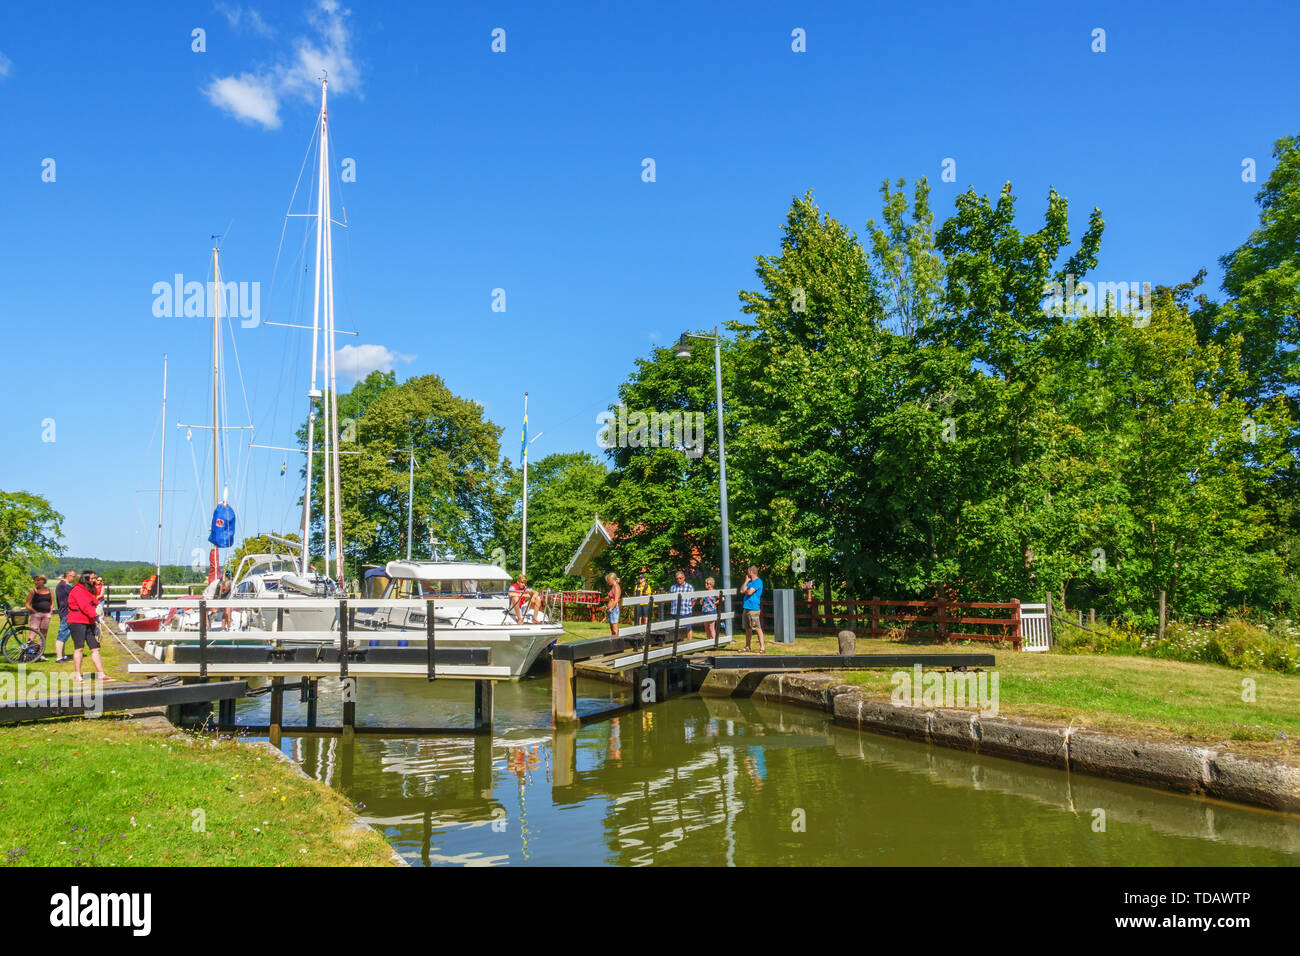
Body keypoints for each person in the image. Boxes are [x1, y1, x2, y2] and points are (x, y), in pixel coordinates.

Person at [67, 571, 110, 682]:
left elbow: (94, 601)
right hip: (77, 622)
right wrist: (95, 615)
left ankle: (101, 673)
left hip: (89, 622)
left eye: (95, 578)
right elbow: (85, 606)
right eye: (92, 578)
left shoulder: (87, 590)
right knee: (79, 648)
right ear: (86, 579)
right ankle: (78, 675)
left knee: (95, 648)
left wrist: (98, 612)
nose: (94, 580)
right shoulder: (78, 590)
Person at [25, 575, 54, 662]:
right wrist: (34, 612)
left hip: (46, 615)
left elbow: (52, 602)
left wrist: (50, 610)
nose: (35, 582)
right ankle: (28, 654)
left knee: (43, 634)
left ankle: (39, 653)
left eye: (37, 580)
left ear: (43, 581)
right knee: (33, 634)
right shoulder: (33, 591)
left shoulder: (49, 590)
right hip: (36, 615)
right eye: (35, 581)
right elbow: (27, 604)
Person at [52, 570, 77, 662]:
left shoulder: (62, 585)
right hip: (66, 612)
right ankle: (59, 657)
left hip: (64, 612)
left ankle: (63, 655)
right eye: (73, 577)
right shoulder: (64, 586)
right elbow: (73, 596)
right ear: (68, 576)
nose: (74, 579)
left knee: (64, 634)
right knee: (62, 634)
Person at [741, 565, 765, 653]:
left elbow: (749, 592)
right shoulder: (750, 582)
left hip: (753, 609)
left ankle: (762, 647)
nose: (747, 573)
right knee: (747, 628)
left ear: (751, 572)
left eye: (748, 572)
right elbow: (741, 590)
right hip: (746, 607)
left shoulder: (758, 582)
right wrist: (746, 581)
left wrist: (746, 590)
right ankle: (747, 646)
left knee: (757, 627)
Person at [669, 569, 696, 639]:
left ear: (684, 578)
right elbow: (670, 599)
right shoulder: (673, 587)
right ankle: (677, 643)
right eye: (677, 578)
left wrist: (689, 607)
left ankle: (690, 643)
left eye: (680, 578)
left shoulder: (689, 587)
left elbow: (694, 599)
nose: (679, 580)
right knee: (675, 629)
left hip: (685, 612)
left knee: (688, 628)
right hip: (674, 612)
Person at [701, 576, 718, 643]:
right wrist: (701, 600)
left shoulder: (714, 591)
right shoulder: (705, 592)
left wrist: (716, 603)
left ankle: (715, 642)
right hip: (705, 611)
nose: (706, 585)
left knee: (711, 627)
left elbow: (722, 598)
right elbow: (701, 602)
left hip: (711, 611)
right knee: (706, 628)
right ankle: (708, 642)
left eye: (707, 583)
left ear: (711, 584)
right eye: (705, 583)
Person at [605, 572, 622, 636]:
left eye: (609, 580)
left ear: (613, 579)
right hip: (610, 609)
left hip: (614, 609)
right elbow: (610, 599)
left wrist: (611, 608)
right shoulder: (613, 586)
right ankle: (613, 642)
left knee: (614, 627)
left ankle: (616, 642)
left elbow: (616, 600)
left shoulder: (616, 587)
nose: (608, 582)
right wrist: (607, 606)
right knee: (611, 627)